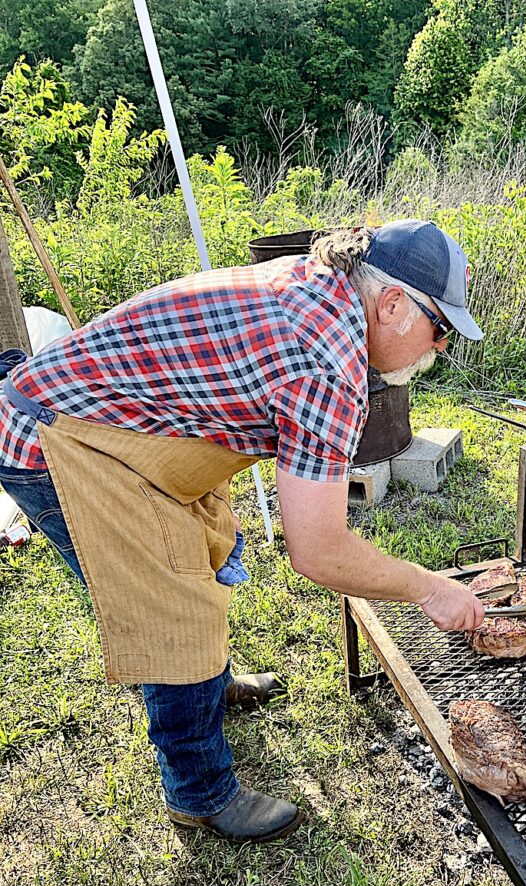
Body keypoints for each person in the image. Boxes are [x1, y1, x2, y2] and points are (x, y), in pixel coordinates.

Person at [0, 219, 486, 843]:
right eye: (439, 328)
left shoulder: (327, 285)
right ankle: (199, 794)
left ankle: (212, 684)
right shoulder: (325, 364)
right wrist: (431, 589)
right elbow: (319, 551)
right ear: (392, 304)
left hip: (122, 430)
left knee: (191, 571)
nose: (440, 348)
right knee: (171, 615)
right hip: (58, 443)